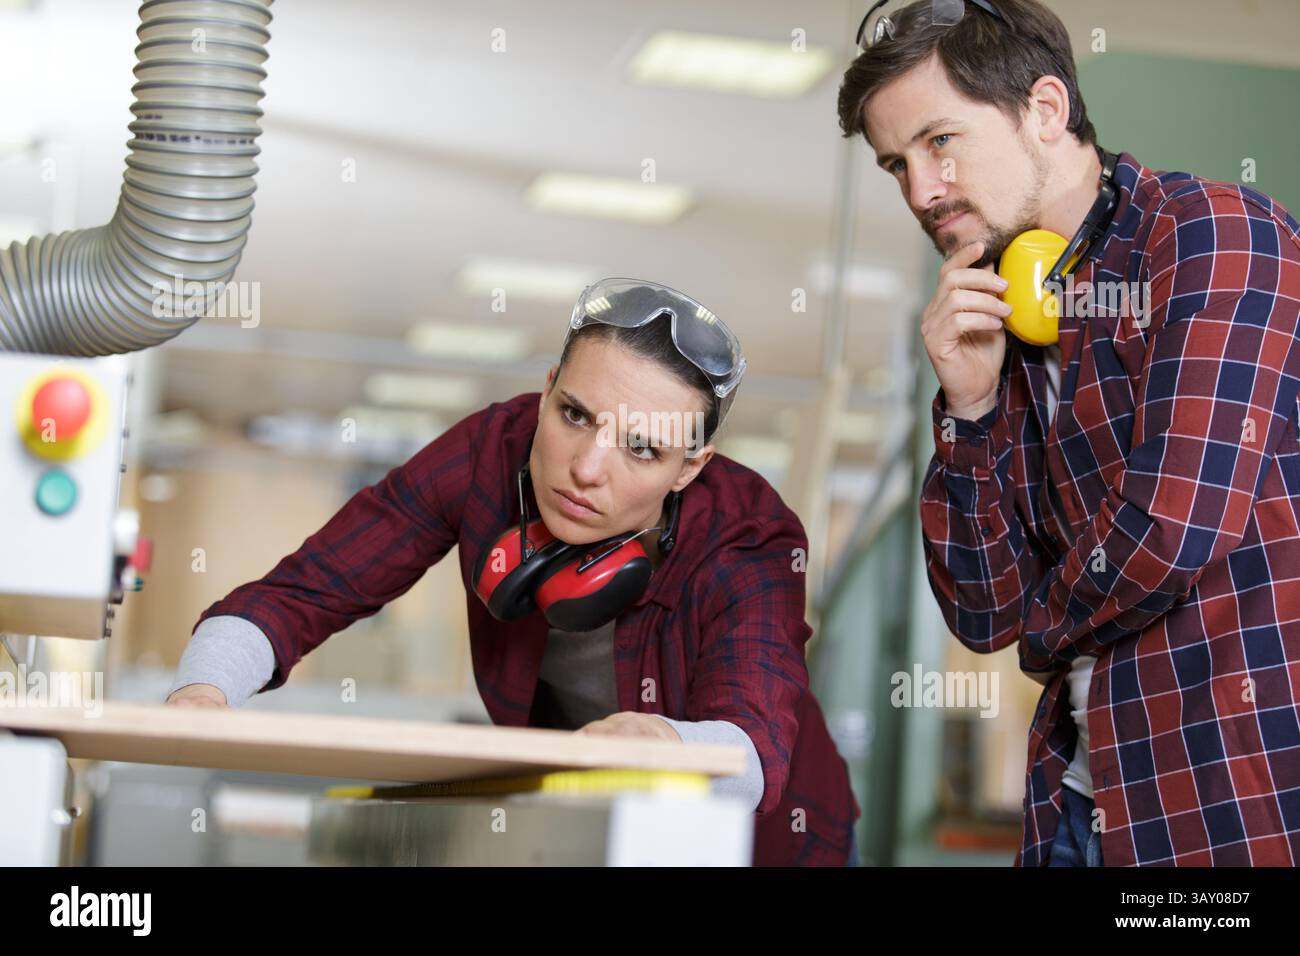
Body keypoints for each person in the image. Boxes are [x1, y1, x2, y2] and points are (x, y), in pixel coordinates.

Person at [166, 277, 861, 866]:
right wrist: (204, 691)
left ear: (691, 467)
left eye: (643, 449)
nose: (587, 469)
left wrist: (664, 742)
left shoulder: (750, 535)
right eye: (574, 416)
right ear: (548, 389)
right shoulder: (488, 454)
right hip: (575, 815)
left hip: (764, 844)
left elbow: (753, 752)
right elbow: (301, 592)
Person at [838, 0, 1300, 866]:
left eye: (941, 142)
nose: (921, 191)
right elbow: (983, 612)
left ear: (1046, 112)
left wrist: (1045, 638)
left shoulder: (1212, 236)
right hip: (1080, 803)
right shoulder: (997, 308)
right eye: (896, 164)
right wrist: (969, 408)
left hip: (1236, 799)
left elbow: (1172, 528)